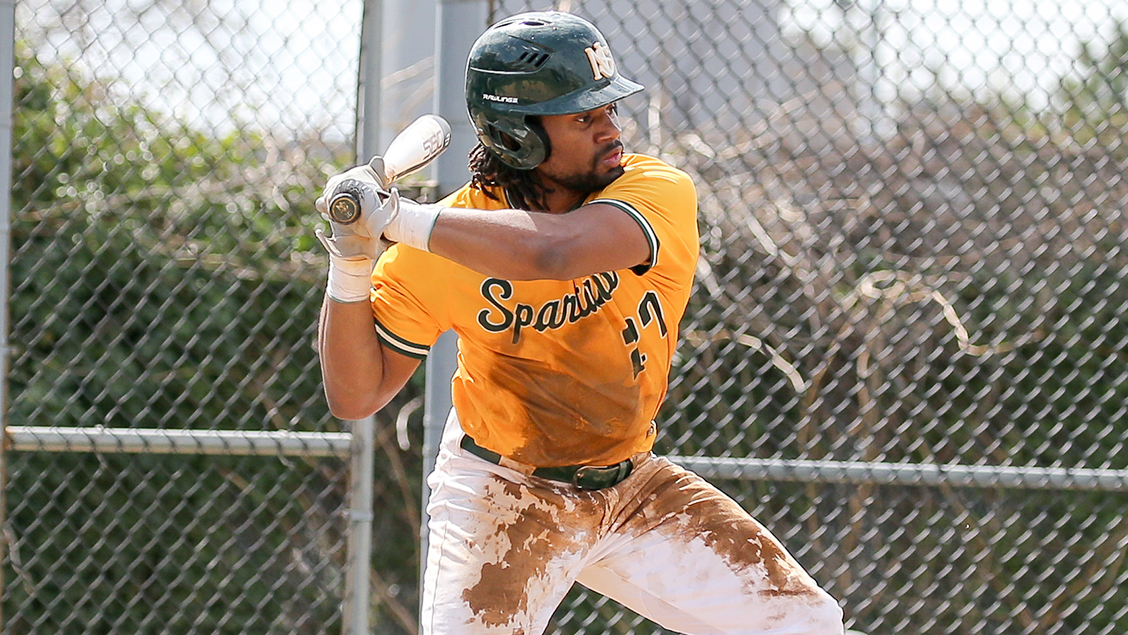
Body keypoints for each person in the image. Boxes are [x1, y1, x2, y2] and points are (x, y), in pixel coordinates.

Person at [315, 10, 845, 635]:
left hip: (632, 484)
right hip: (502, 494)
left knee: (806, 625)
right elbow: (354, 395)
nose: (611, 129)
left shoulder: (655, 189)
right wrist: (350, 264)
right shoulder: (439, 245)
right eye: (583, 117)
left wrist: (399, 220)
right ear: (518, 136)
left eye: (609, 110)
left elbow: (552, 252)